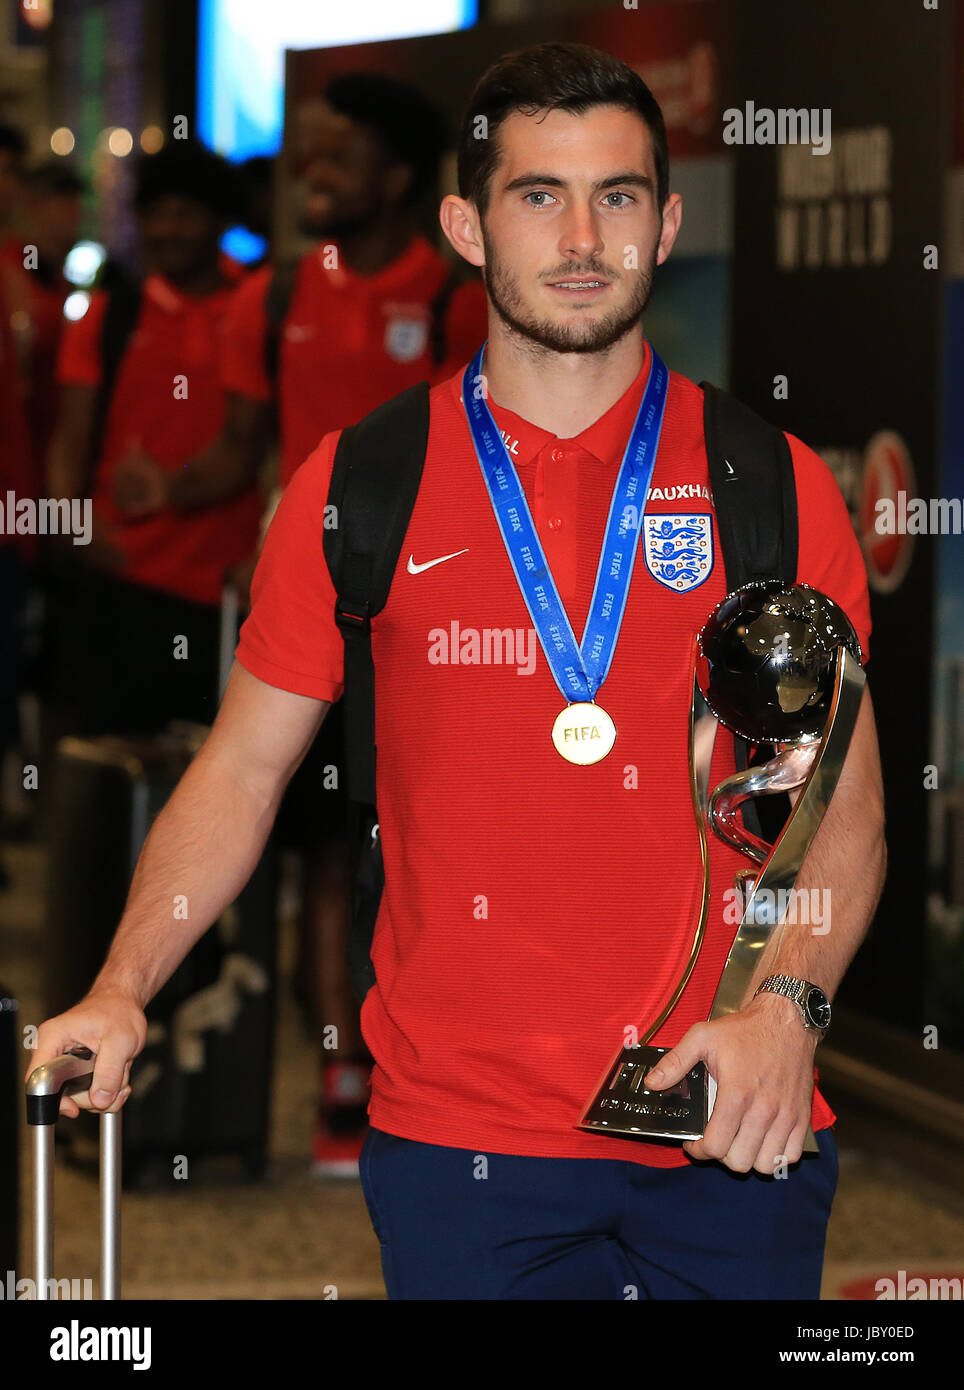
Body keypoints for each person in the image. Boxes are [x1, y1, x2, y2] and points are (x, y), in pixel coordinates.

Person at [30, 42, 886, 1300]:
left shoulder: (771, 483)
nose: (583, 236)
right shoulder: (357, 486)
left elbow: (845, 809)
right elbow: (243, 772)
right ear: (466, 225)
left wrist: (787, 1014)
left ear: (668, 219)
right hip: (460, 1142)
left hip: (729, 1121)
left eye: (620, 195)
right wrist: (120, 984)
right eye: (539, 195)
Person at [108, 72, 488, 1177]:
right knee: (314, 846)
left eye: (334, 157)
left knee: (404, 849)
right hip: (306, 622)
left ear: (399, 176)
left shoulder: (457, 298)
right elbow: (241, 450)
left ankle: (427, 1065)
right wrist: (166, 491)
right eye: (306, 158)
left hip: (424, 627)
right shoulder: (272, 299)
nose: (312, 176)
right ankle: (341, 1073)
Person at [45, 141, 262, 739]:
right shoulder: (109, 314)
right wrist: (75, 527)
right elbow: (70, 436)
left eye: (186, 214)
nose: (169, 230)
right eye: (156, 214)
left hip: (222, 589)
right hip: (121, 577)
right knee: (107, 770)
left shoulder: (256, 306)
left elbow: (263, 440)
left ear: (220, 220)